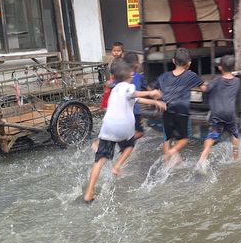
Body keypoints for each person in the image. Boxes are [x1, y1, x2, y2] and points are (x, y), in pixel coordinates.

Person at [84, 60, 165, 203]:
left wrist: (154, 102)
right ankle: (117, 166)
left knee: (99, 161)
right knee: (130, 145)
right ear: (129, 75)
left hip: (108, 127)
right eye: (131, 72)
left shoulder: (115, 90)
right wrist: (152, 93)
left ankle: (89, 193)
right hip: (124, 127)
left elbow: (136, 99)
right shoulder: (127, 87)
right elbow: (134, 93)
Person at [154, 48, 206, 165]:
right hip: (182, 111)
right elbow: (204, 88)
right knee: (184, 139)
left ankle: (167, 162)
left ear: (173, 61)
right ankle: (171, 152)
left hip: (167, 110)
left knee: (168, 137)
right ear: (189, 63)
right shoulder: (191, 75)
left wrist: (158, 99)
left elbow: (154, 90)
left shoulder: (164, 76)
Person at [196, 55, 241, 170]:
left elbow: (206, 89)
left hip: (217, 113)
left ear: (220, 67)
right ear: (234, 67)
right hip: (229, 114)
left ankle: (203, 158)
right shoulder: (237, 81)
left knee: (212, 136)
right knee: (234, 134)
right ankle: (236, 158)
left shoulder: (217, 80)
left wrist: (199, 83)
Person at [100, 42, 125, 111]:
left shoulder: (121, 62)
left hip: (119, 83)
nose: (116, 52)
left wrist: (111, 81)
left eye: (118, 51)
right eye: (114, 50)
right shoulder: (113, 61)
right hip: (115, 82)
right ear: (111, 51)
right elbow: (112, 74)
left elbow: (119, 74)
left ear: (122, 52)